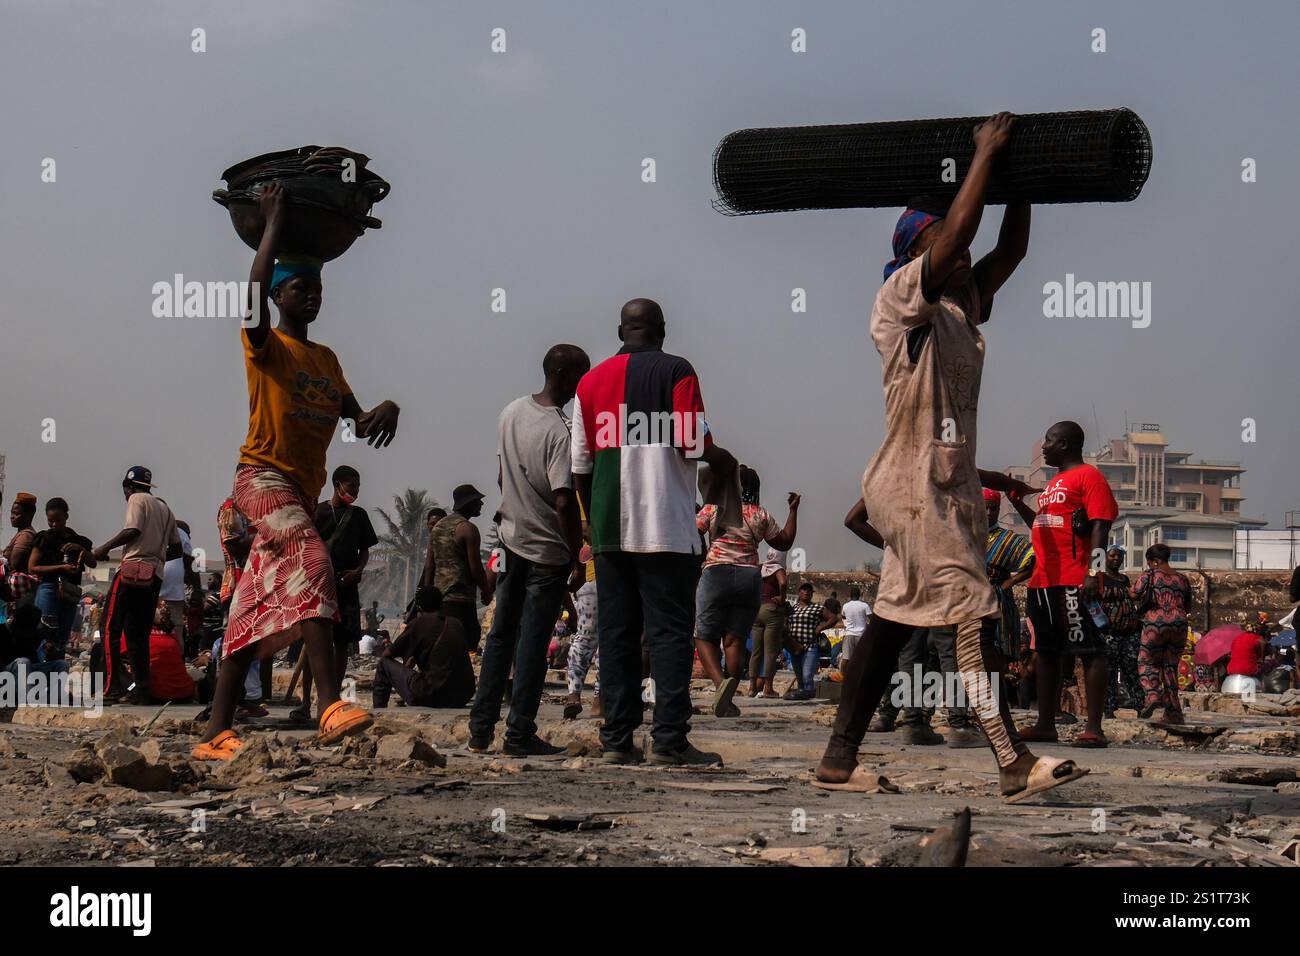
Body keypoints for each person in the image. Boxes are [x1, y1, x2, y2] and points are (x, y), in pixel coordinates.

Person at [816, 114, 1083, 800]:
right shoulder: (904, 299)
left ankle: (839, 758)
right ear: (918, 250)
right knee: (972, 607)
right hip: (913, 489)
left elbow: (1011, 250)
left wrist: (1020, 181)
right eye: (945, 240)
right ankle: (1012, 761)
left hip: (943, 488)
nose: (961, 251)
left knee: (889, 624)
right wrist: (986, 154)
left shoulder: (962, 310)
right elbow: (962, 236)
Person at [193, 182, 399, 760]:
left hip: (300, 494)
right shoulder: (268, 346)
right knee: (314, 561)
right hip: (260, 480)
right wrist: (273, 226)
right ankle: (331, 705)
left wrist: (386, 409)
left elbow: (355, 417)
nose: (313, 297)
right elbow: (251, 300)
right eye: (301, 288)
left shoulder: (326, 360)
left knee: (247, 608)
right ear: (281, 296)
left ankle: (213, 732)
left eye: (318, 288)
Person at [572, 297, 738, 766]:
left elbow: (580, 465)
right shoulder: (677, 370)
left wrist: (590, 518)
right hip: (664, 524)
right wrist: (721, 457)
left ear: (620, 330)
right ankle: (669, 740)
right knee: (668, 635)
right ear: (661, 329)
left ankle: (618, 741)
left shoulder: (589, 381)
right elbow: (692, 439)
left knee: (617, 634)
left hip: (608, 529)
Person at [467, 344, 590, 755]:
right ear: (562, 373)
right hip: (547, 552)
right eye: (579, 376)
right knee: (533, 645)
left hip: (510, 540)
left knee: (502, 636)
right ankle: (519, 733)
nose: (581, 386)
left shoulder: (512, 411)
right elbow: (562, 501)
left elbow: (503, 476)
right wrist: (575, 554)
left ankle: (480, 729)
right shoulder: (561, 430)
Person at [1010, 422, 1118, 749]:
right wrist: (1016, 503)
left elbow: (1101, 526)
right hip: (1043, 580)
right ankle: (1046, 723)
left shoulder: (1089, 477)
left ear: (1066, 444)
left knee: (1089, 650)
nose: (1044, 446)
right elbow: (1041, 526)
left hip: (1074, 578)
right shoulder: (1053, 484)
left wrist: (1093, 572)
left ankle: (1094, 727)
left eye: (1049, 440)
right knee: (1046, 653)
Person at [693, 466, 799, 716]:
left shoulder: (713, 508)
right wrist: (793, 511)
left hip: (716, 573)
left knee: (704, 636)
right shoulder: (760, 514)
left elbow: (693, 531)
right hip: (749, 577)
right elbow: (784, 541)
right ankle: (728, 698)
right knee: (734, 639)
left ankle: (721, 687)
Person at [292, 465, 379, 721]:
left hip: (347, 586)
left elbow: (364, 550)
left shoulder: (359, 516)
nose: (355, 491)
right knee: (313, 643)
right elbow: (304, 547)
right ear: (337, 484)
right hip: (319, 585)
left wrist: (357, 570)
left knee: (341, 644)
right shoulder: (317, 512)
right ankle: (305, 701)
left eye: (358, 486)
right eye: (351, 486)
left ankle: (330, 701)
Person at [93, 467, 182, 704]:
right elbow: (177, 548)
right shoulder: (165, 509)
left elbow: (132, 530)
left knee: (110, 627)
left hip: (132, 571)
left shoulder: (135, 499)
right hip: (154, 576)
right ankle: (142, 690)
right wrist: (156, 557)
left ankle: (111, 687)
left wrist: (103, 549)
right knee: (138, 634)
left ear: (128, 487)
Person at [373, 587, 475, 709]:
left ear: (419, 607)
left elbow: (387, 655)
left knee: (383, 664)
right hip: (462, 696)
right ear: (441, 604)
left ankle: (379, 710)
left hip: (432, 695)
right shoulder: (456, 623)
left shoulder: (419, 623)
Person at [423, 485, 493, 650]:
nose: (481, 505)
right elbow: (475, 568)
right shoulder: (468, 529)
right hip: (461, 599)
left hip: (440, 598)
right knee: (464, 644)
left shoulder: (438, 527)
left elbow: (429, 565)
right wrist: (486, 590)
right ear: (468, 503)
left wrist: (427, 596)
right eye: (478, 501)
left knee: (443, 645)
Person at [1128, 543, 1193, 721]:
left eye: (1149, 563)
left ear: (1155, 561)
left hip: (1156, 622)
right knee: (1170, 667)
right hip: (1180, 623)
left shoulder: (1150, 574)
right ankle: (1174, 713)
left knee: (1146, 660)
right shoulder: (1182, 578)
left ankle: (1153, 695)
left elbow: (1135, 594)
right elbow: (1187, 606)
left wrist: (1125, 589)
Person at [27, 497, 96, 650]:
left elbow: (93, 562)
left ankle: (57, 670)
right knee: (45, 635)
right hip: (49, 588)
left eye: (57, 520)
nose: (54, 524)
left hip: (70, 592)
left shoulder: (78, 540)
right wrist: (61, 568)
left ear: (66, 516)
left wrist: (80, 550)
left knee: (62, 638)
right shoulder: (44, 538)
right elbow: (32, 568)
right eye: (50, 520)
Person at [1098, 546, 1141, 715]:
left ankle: (1140, 704)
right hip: (1109, 633)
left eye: (1120, 555)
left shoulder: (1124, 579)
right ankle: (1109, 708)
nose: (1116, 558)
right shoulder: (1100, 578)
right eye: (1113, 555)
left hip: (1129, 633)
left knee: (1131, 668)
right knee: (1109, 672)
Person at [564, 527, 601, 718]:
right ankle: (598, 701)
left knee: (584, 638)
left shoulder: (578, 498)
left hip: (589, 577)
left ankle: (574, 696)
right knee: (608, 641)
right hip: (599, 575)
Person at [748, 546, 791, 698]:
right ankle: (768, 688)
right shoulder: (777, 568)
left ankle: (752, 688)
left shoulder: (761, 568)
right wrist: (783, 597)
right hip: (772, 610)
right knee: (770, 652)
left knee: (756, 651)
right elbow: (783, 583)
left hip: (757, 609)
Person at [785, 582, 836, 700]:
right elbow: (786, 622)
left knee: (807, 676)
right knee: (800, 678)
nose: (806, 592)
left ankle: (809, 698)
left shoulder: (817, 608)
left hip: (810, 646)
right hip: (795, 647)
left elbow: (833, 618)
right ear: (799, 592)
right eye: (804, 590)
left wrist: (820, 628)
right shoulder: (793, 609)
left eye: (809, 590)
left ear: (811, 594)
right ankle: (802, 700)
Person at [159, 519, 195, 646]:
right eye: (189, 533)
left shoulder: (153, 531)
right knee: (175, 637)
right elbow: (189, 560)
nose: (189, 537)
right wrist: (197, 588)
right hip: (172, 595)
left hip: (150, 591)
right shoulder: (180, 532)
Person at [839, 587, 871, 668]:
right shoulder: (864, 605)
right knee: (861, 658)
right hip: (861, 635)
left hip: (849, 634)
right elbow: (872, 618)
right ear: (859, 595)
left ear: (850, 595)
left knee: (846, 658)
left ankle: (843, 677)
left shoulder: (846, 606)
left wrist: (846, 624)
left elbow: (842, 616)